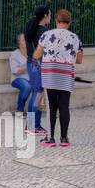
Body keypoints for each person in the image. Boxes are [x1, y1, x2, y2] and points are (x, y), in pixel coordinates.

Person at [33, 8, 83, 148]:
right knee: (64, 106)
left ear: (56, 21)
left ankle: (50, 138)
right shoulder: (75, 38)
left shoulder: (46, 35)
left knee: (51, 107)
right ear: (69, 22)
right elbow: (79, 60)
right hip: (66, 74)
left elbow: (37, 54)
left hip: (50, 74)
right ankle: (64, 138)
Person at [8, 33, 45, 135]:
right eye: (24, 40)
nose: (26, 42)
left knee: (36, 89)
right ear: (19, 42)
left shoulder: (31, 52)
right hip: (18, 79)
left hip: (30, 79)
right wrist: (28, 66)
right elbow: (14, 70)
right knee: (26, 86)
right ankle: (19, 110)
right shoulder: (14, 55)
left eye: (26, 40)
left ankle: (35, 118)